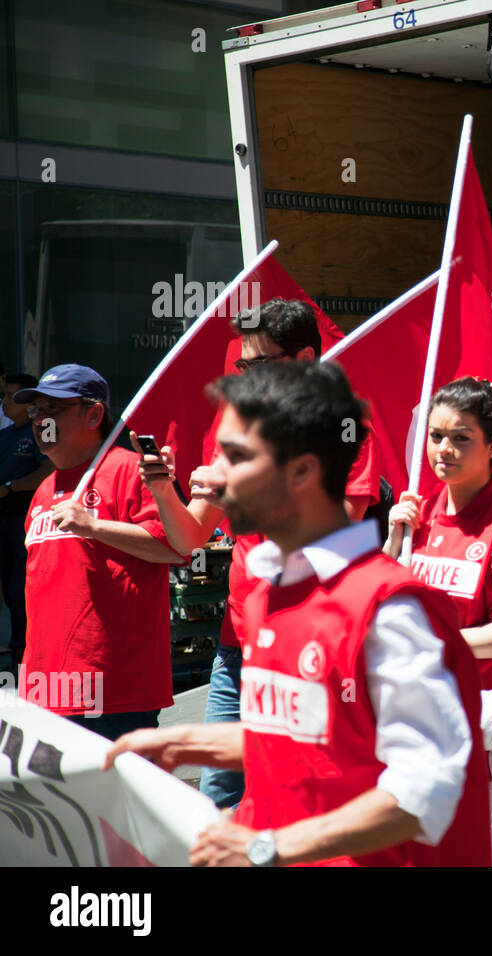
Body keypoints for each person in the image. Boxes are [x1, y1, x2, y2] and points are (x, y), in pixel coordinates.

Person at [106, 361, 490, 866]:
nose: (208, 476)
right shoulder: (268, 592)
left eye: (236, 457)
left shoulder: (391, 608)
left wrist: (268, 847)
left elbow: (429, 789)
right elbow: (305, 741)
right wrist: (180, 742)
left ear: (304, 471)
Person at [137, 297, 380, 809]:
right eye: (242, 365)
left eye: (257, 364)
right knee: (219, 798)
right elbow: (188, 540)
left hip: (314, 644)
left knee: (308, 794)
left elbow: (339, 536)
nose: (245, 377)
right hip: (238, 645)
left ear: (304, 359)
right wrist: (163, 490)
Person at [384, 376, 492, 864]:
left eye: (462, 437)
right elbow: (383, 605)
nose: (445, 449)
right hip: (411, 721)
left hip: (477, 735)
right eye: (436, 435)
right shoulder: (423, 515)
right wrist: (395, 542)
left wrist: (444, 642)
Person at [18, 364, 181, 737]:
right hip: (44, 694)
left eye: (53, 410)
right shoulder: (44, 490)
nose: (41, 421)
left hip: (113, 693)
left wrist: (91, 526)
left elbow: (173, 547)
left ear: (93, 414)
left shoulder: (131, 471)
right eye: (35, 411)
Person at [0, 373, 54, 669]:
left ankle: (25, 656)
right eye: (4, 396)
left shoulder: (41, 433)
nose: (5, 402)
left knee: (22, 588)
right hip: (3, 520)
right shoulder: (5, 435)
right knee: (9, 588)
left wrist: (10, 487)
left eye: (10, 396)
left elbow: (49, 468)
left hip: (26, 518)